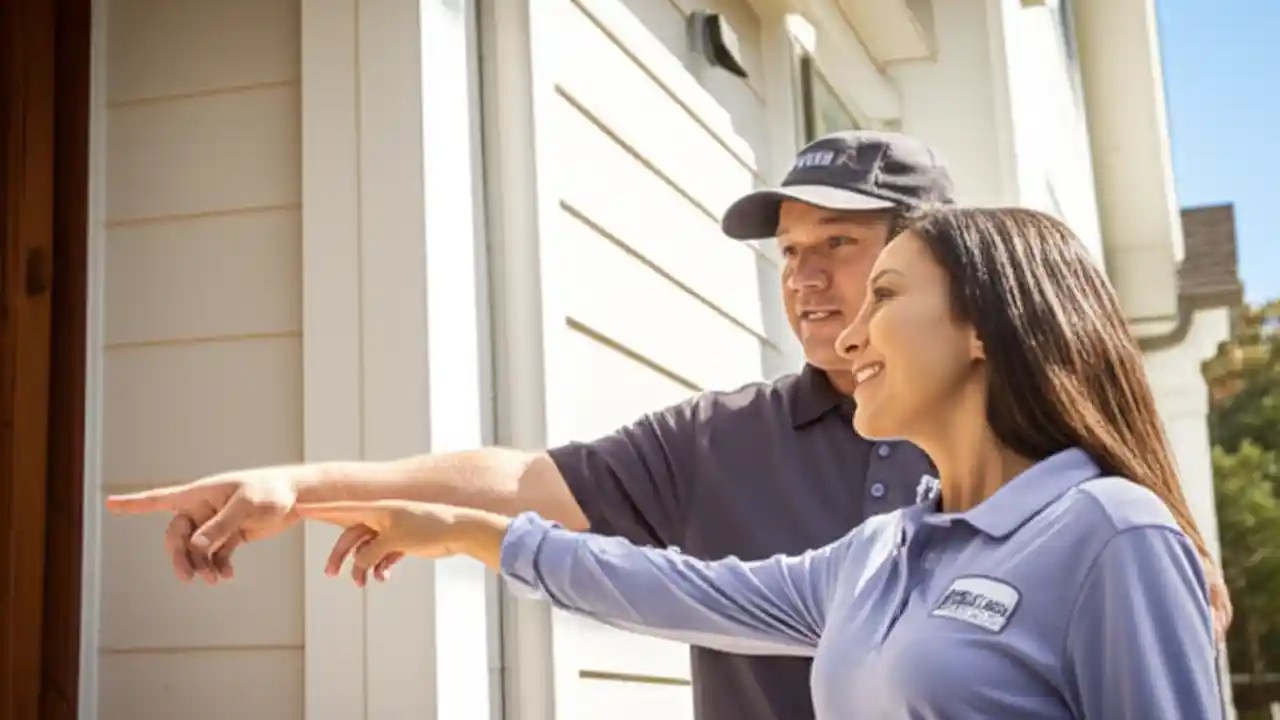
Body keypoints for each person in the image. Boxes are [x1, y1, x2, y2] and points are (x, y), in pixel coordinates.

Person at [105, 132, 1230, 719]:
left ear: (964, 297)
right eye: (787, 255)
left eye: (846, 254)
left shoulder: (1105, 531)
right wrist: (328, 494)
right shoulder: (859, 539)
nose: (807, 286)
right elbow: (619, 558)